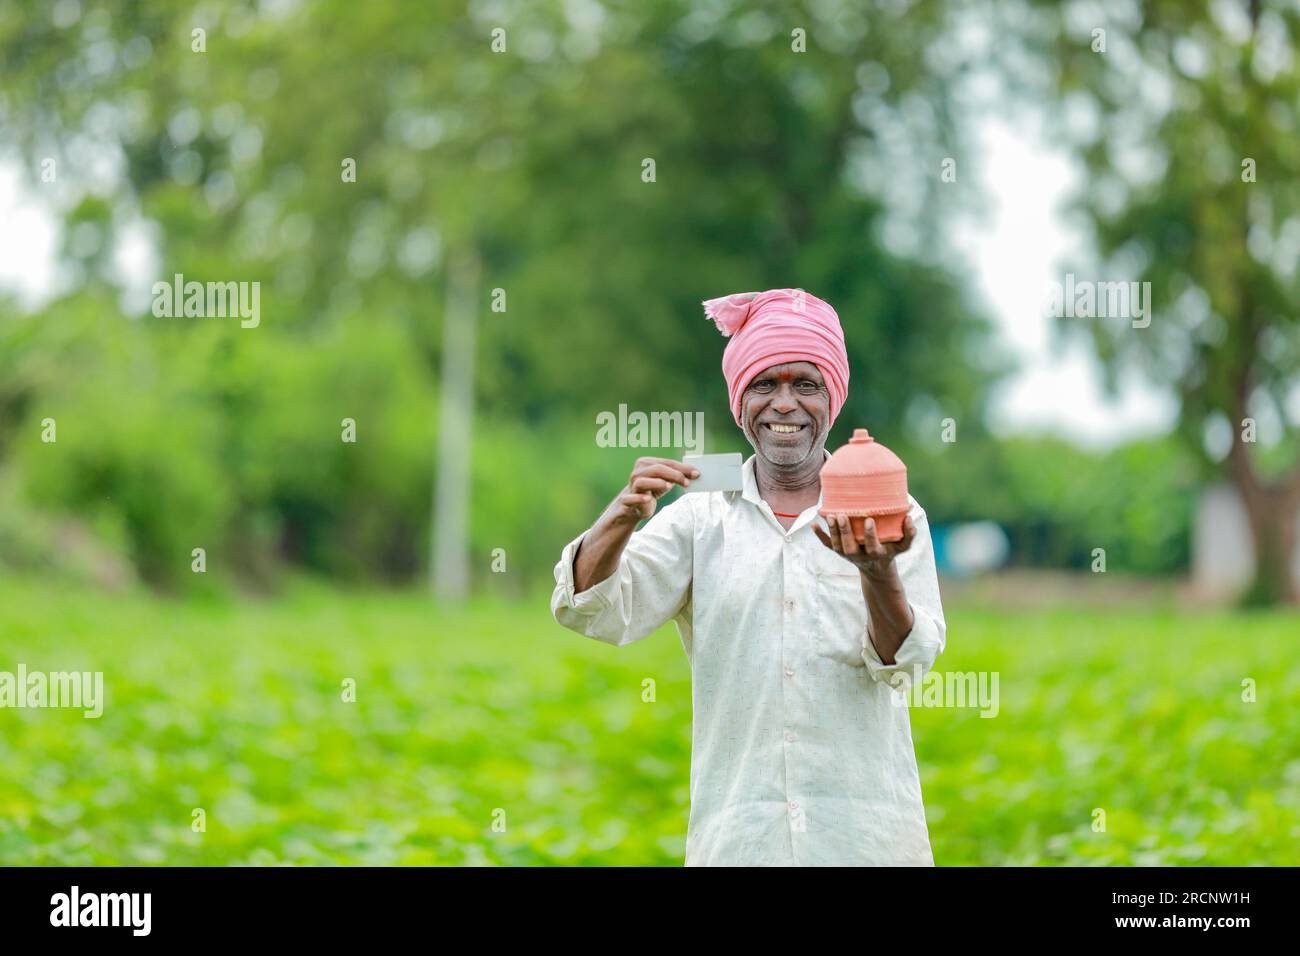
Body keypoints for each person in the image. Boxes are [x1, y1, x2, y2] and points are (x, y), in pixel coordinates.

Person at [550, 288, 947, 865]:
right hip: (741, 843)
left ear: (832, 399)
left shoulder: (889, 513)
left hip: (864, 843)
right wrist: (619, 518)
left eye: (805, 384)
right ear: (740, 402)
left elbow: (905, 665)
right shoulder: (699, 518)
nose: (784, 404)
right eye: (764, 384)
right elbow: (592, 610)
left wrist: (877, 572)